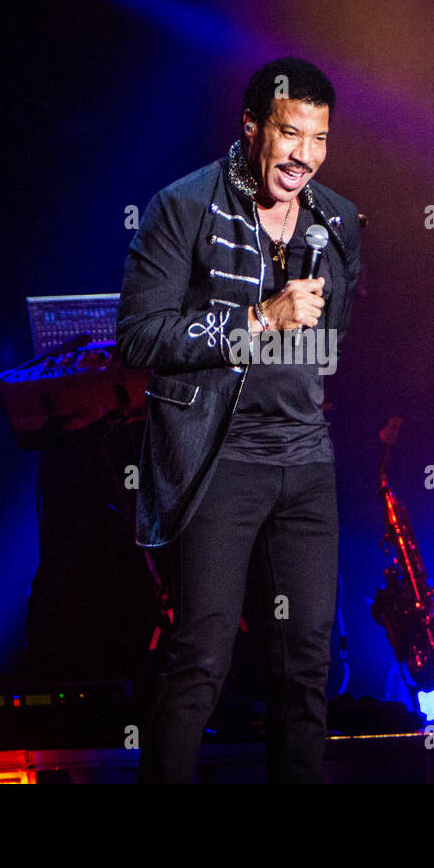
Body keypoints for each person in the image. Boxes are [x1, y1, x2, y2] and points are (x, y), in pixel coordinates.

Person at [117, 57, 361, 781]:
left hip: (306, 463)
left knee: (308, 661)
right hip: (217, 458)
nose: (304, 156)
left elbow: (331, 338)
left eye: (319, 139)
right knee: (202, 654)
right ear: (252, 127)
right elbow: (139, 335)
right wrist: (257, 319)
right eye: (290, 134)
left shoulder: (339, 220)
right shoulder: (182, 207)